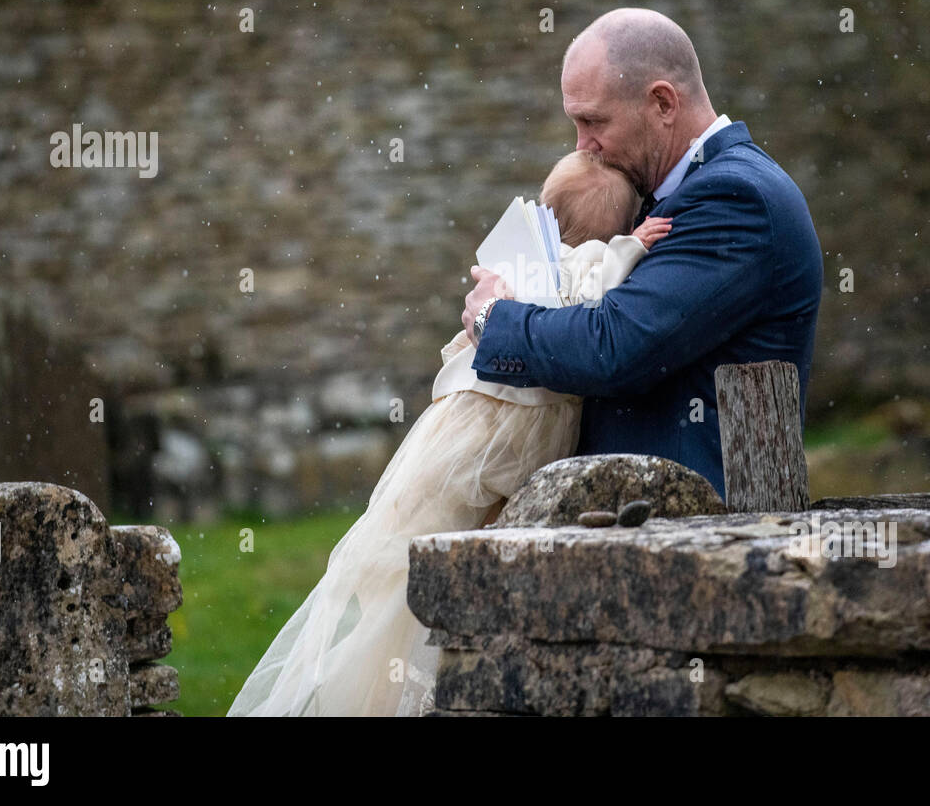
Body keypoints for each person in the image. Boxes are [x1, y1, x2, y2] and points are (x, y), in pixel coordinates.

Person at [226, 150, 672, 717]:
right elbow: (601, 281)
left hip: (474, 415)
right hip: (515, 423)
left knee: (442, 519)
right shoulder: (581, 262)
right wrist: (637, 243)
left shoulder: (520, 268)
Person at [463, 8, 824, 500]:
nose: (582, 146)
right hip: (665, 529)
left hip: (718, 536)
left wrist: (494, 319)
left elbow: (613, 345)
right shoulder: (674, 195)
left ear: (662, 103)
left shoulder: (736, 198)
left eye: (593, 121)